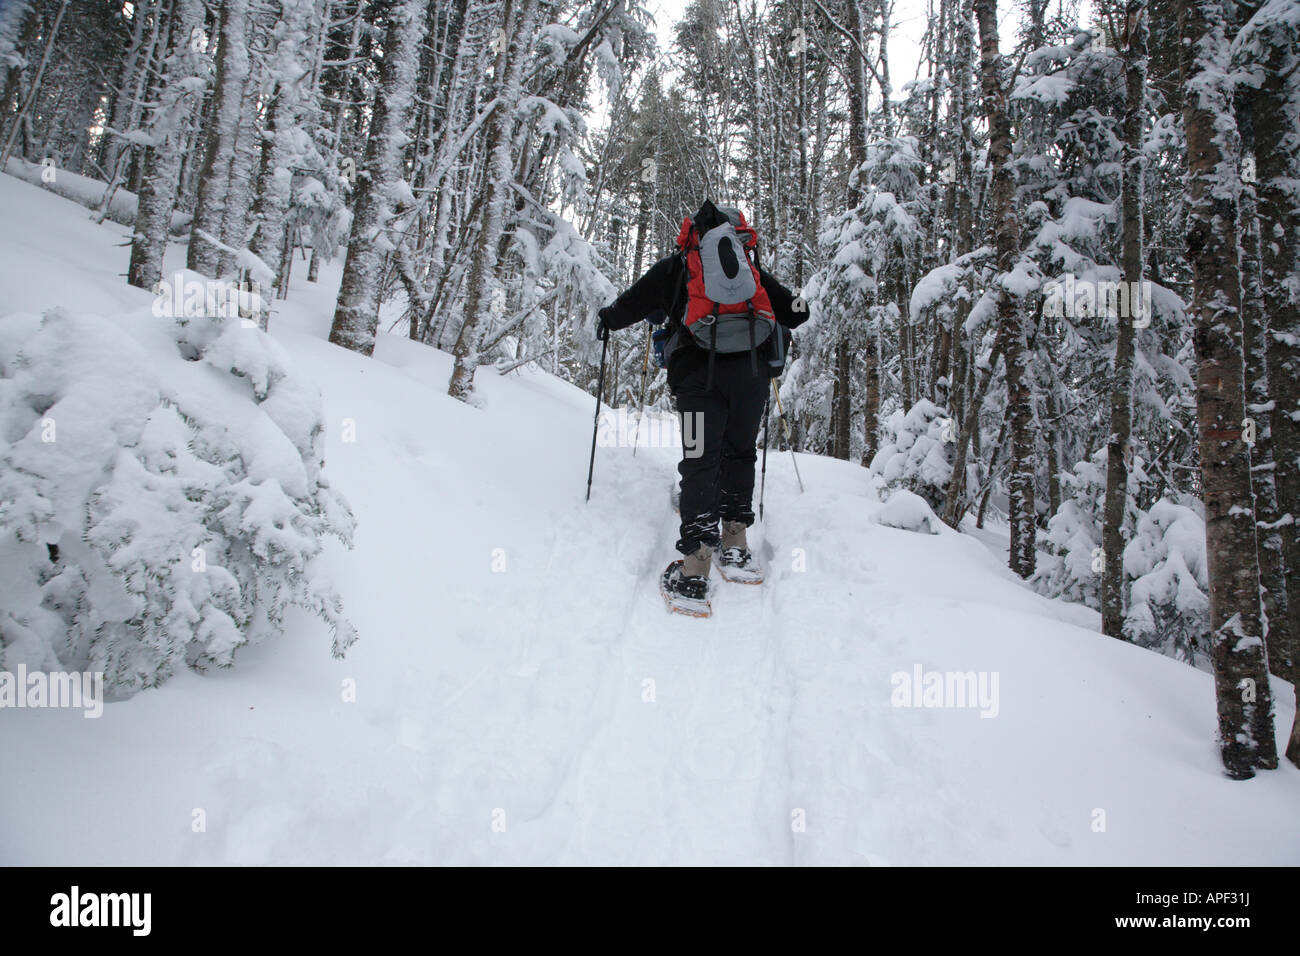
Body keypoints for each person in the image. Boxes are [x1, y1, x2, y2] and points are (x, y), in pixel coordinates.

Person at [597, 199, 808, 608]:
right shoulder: (749, 273)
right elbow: (798, 312)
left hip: (697, 383)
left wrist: (606, 319)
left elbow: (629, 306)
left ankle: (694, 571)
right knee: (741, 452)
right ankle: (735, 542)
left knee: (699, 459)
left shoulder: (675, 268)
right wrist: (789, 304)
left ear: (691, 234)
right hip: (751, 378)